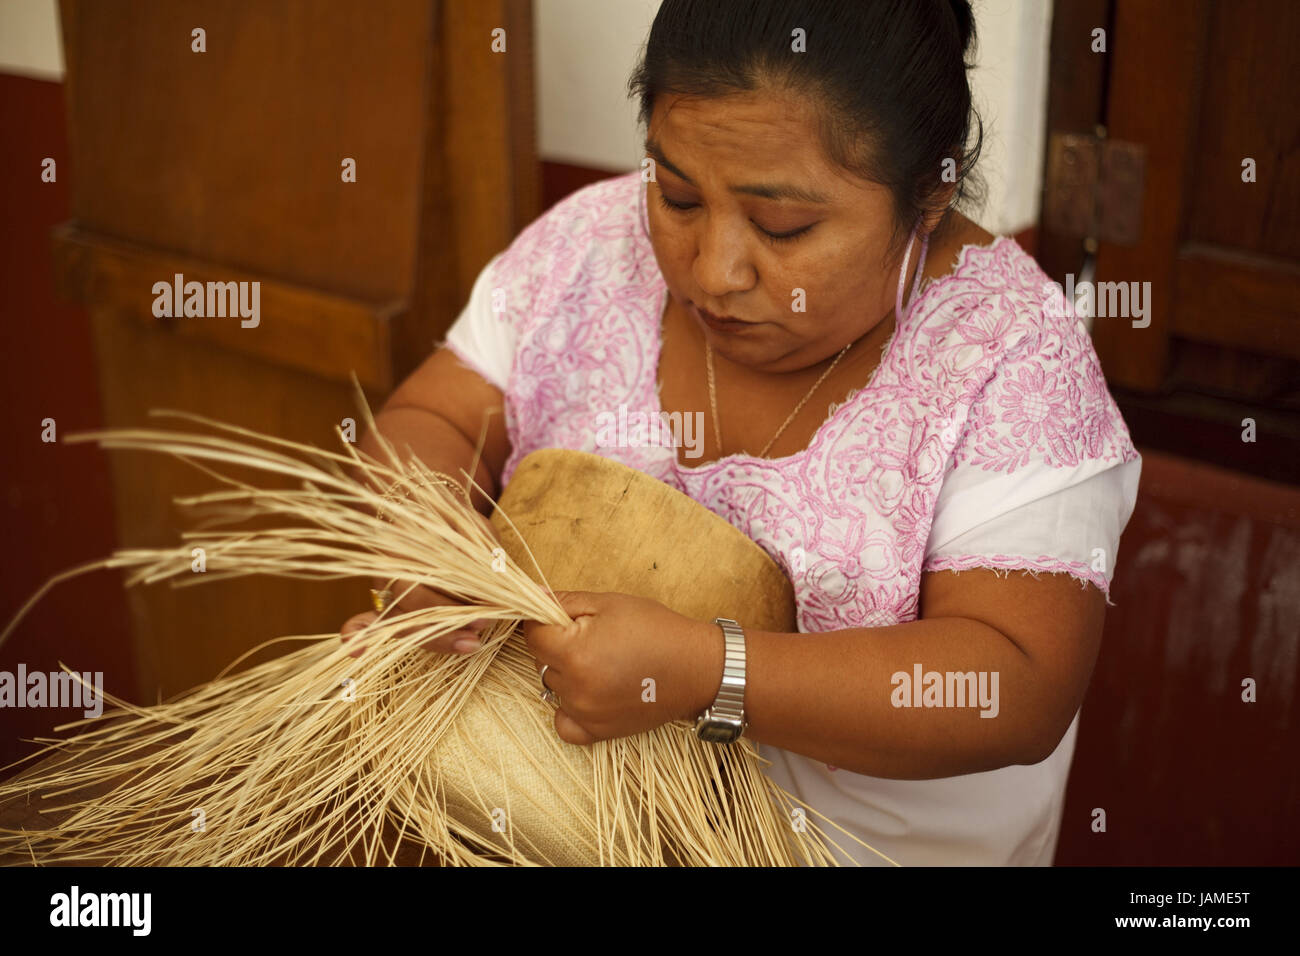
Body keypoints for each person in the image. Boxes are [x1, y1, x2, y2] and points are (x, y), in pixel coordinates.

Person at [341, 0, 1142, 866]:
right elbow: (438, 416)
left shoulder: (1009, 356)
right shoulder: (586, 246)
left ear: (930, 192)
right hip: (554, 829)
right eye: (679, 196)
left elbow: (1010, 686)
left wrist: (703, 673)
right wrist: (424, 546)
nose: (714, 269)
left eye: (783, 225)